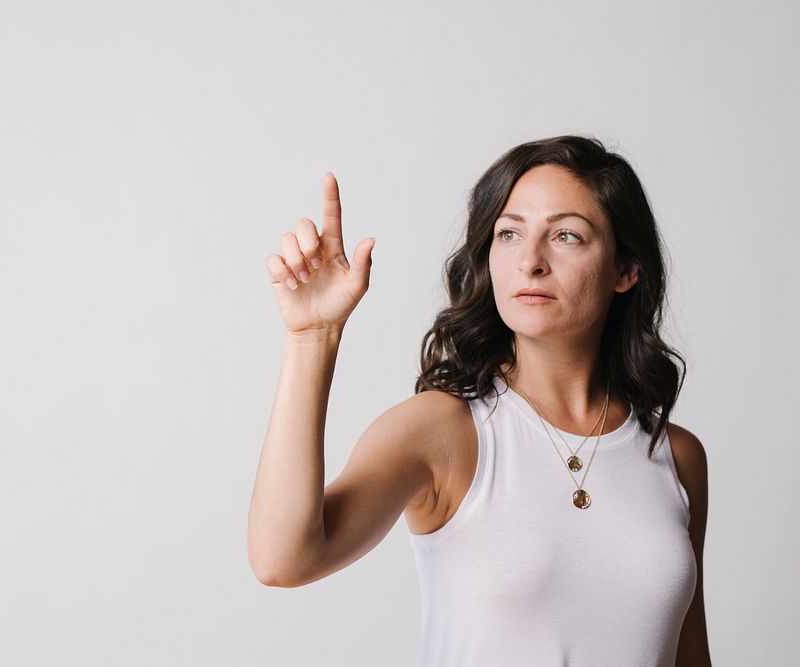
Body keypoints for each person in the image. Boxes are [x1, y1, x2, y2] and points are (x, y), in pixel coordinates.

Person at [248, 135, 710, 666]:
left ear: (626, 269)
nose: (531, 261)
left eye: (566, 235)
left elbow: (690, 654)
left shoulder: (676, 456)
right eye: (509, 233)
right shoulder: (442, 430)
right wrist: (313, 338)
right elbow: (283, 560)